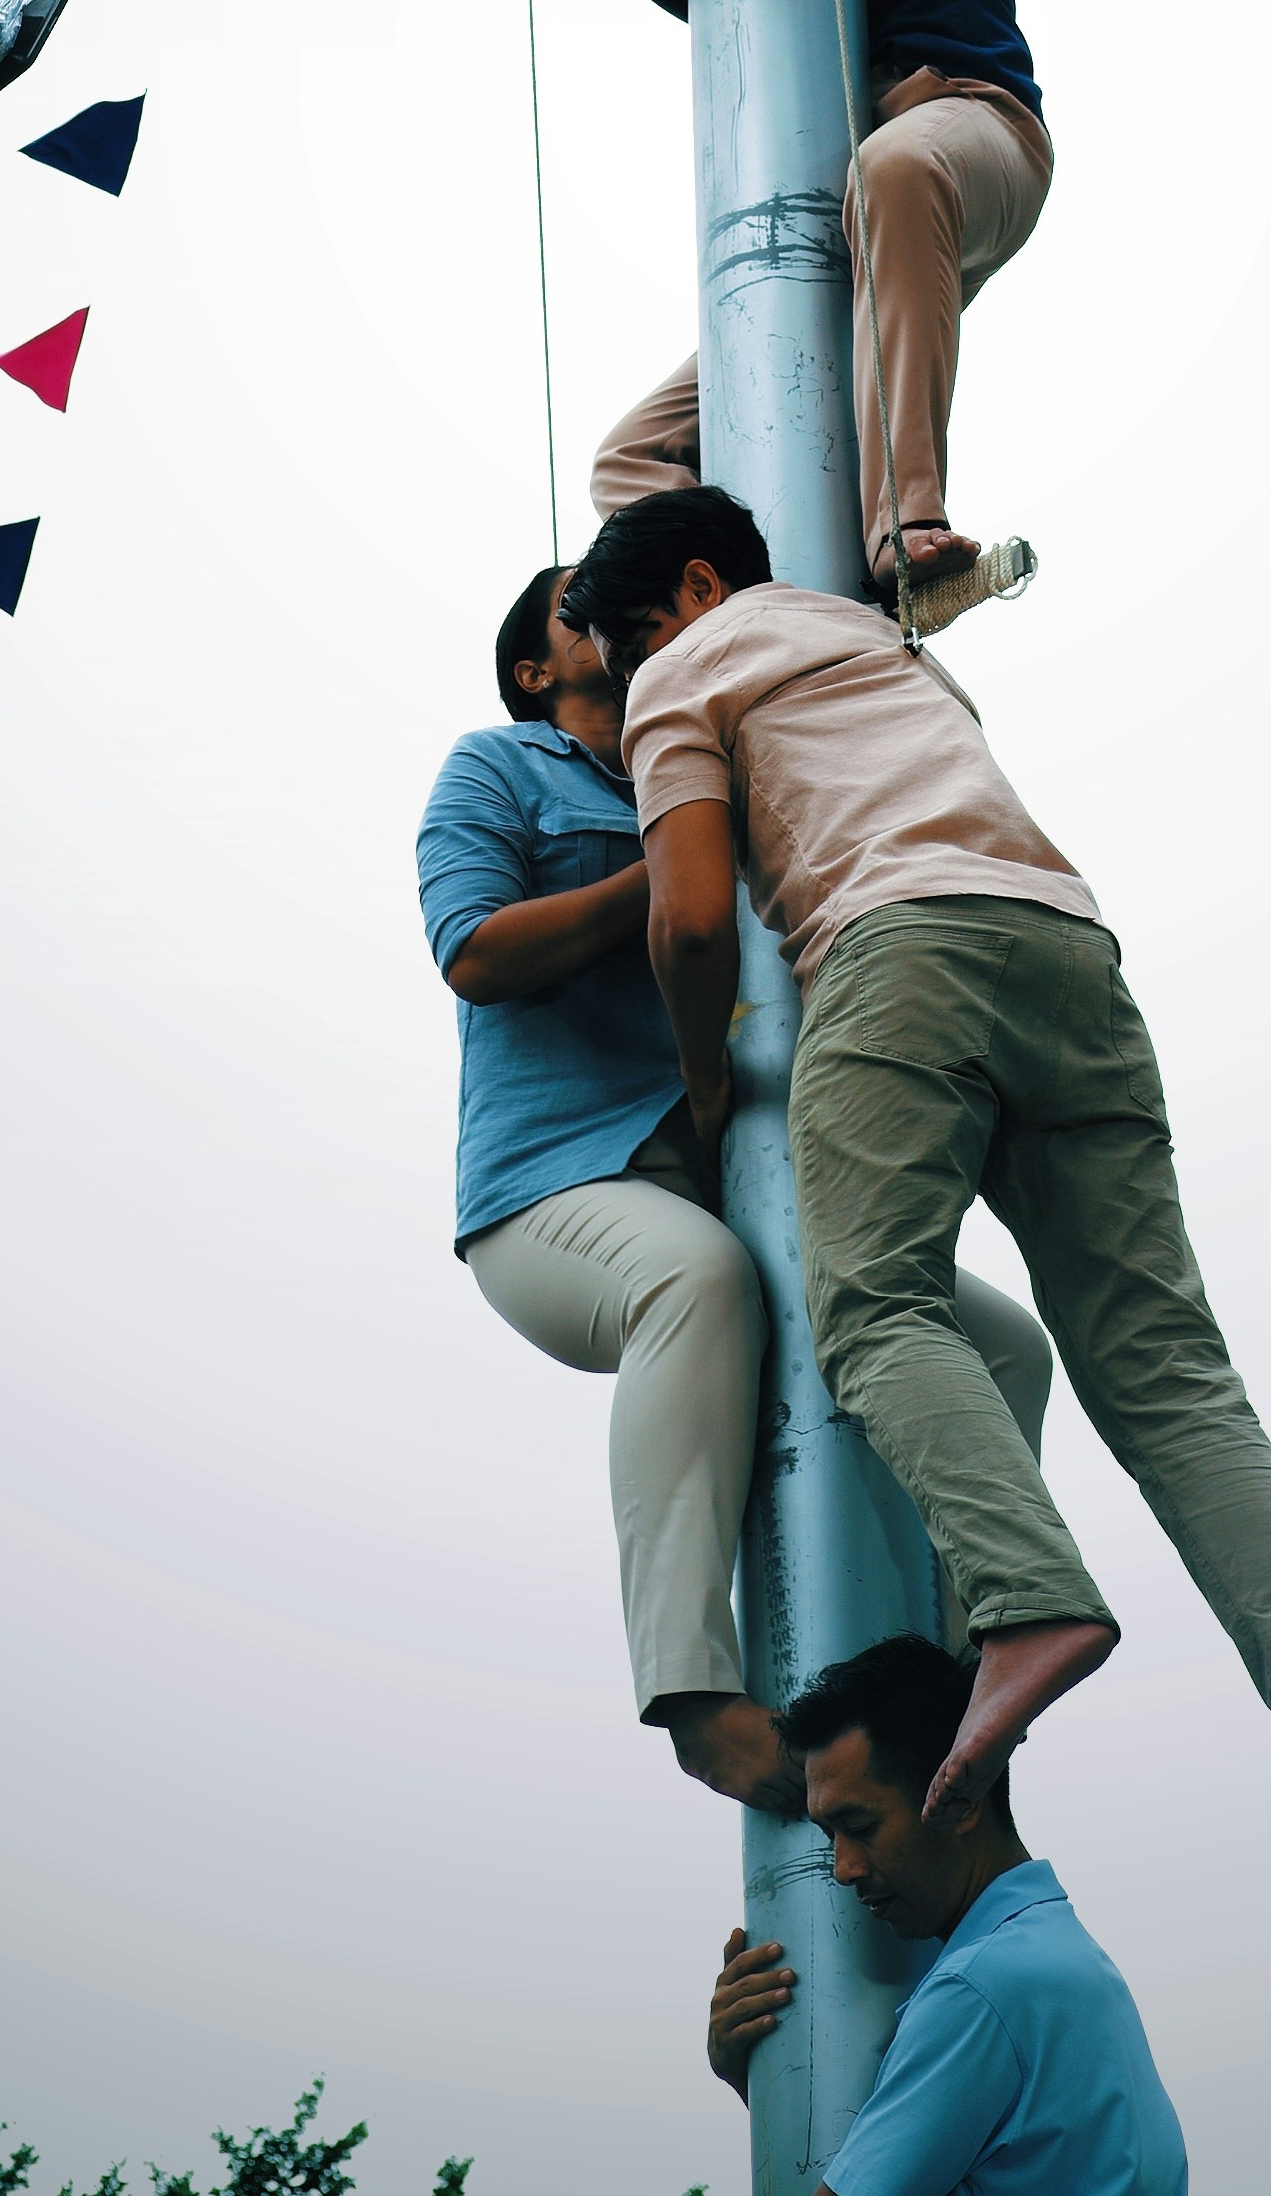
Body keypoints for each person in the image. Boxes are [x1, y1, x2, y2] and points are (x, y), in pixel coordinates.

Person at [565, 484, 1271, 1934]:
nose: (629, 674)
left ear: (694, 587)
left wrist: (705, 1078)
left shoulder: (685, 673)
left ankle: (1027, 1604)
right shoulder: (874, 645)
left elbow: (692, 918)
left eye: (631, 636)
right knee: (1173, 1382)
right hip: (1066, 944)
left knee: (872, 1311)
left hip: (894, 954)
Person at [415, 561, 1053, 1815]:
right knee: (689, 1281)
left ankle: (972, 1665)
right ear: (535, 670)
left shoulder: (715, 762)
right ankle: (694, 1693)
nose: (607, 607)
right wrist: (669, 876)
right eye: (570, 606)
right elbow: (473, 950)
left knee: (1003, 1347)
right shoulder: (497, 768)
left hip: (741, 1197)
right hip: (556, 1193)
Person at [597, 0, 1047, 634]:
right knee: (632, 458)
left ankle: (907, 530)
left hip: (972, 129)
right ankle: (771, 622)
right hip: (846, 225)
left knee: (898, 166)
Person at [705, 1630, 1187, 2196]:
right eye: (829, 1837)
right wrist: (759, 2082)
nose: (842, 1869)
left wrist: (746, 2074)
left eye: (861, 1828)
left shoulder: (980, 1987)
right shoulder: (1055, 1953)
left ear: (960, 1800)